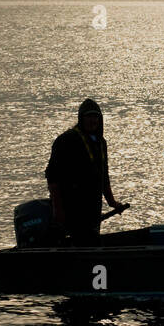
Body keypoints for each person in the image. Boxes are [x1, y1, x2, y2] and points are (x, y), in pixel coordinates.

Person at [44, 99, 122, 246]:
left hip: (93, 207)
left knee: (91, 241)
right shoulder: (66, 140)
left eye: (95, 116)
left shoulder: (100, 142)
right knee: (82, 243)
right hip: (72, 207)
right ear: (81, 118)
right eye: (88, 116)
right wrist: (58, 209)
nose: (93, 120)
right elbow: (52, 176)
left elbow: (103, 176)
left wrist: (112, 202)